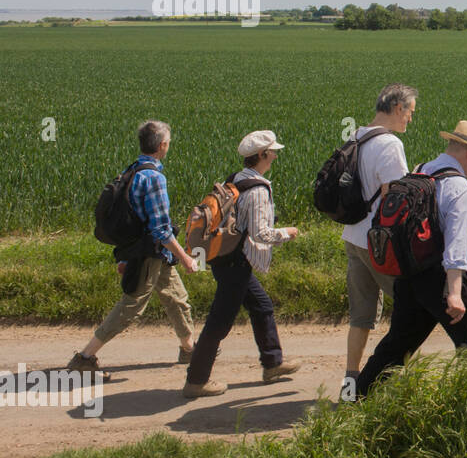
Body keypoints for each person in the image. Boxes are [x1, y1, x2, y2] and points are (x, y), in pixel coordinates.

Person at [352, 120, 467, 400]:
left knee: (396, 345)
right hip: (439, 278)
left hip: (408, 275)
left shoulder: (420, 171)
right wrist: (454, 293)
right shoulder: (459, 186)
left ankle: (356, 400)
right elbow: (457, 244)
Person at [67, 121, 198, 373]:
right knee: (131, 307)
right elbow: (160, 229)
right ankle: (84, 358)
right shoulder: (154, 178)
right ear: (162, 145)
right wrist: (184, 258)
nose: (169, 146)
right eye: (168, 142)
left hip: (151, 252)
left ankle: (190, 350)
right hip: (149, 253)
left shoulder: (133, 170)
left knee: (176, 299)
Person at [182, 131, 302, 398]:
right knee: (219, 322)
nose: (275, 155)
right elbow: (260, 234)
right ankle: (196, 381)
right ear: (261, 155)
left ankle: (272, 363)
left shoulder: (236, 178)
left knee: (261, 306)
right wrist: (287, 233)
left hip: (226, 258)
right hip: (237, 262)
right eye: (272, 152)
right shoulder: (258, 189)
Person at [342, 84, 417, 391]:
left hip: (353, 237)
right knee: (411, 313)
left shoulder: (356, 135)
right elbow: (395, 198)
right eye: (410, 112)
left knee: (360, 318)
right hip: (380, 244)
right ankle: (392, 382)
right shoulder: (389, 145)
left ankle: (349, 382)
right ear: (398, 107)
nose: (410, 119)